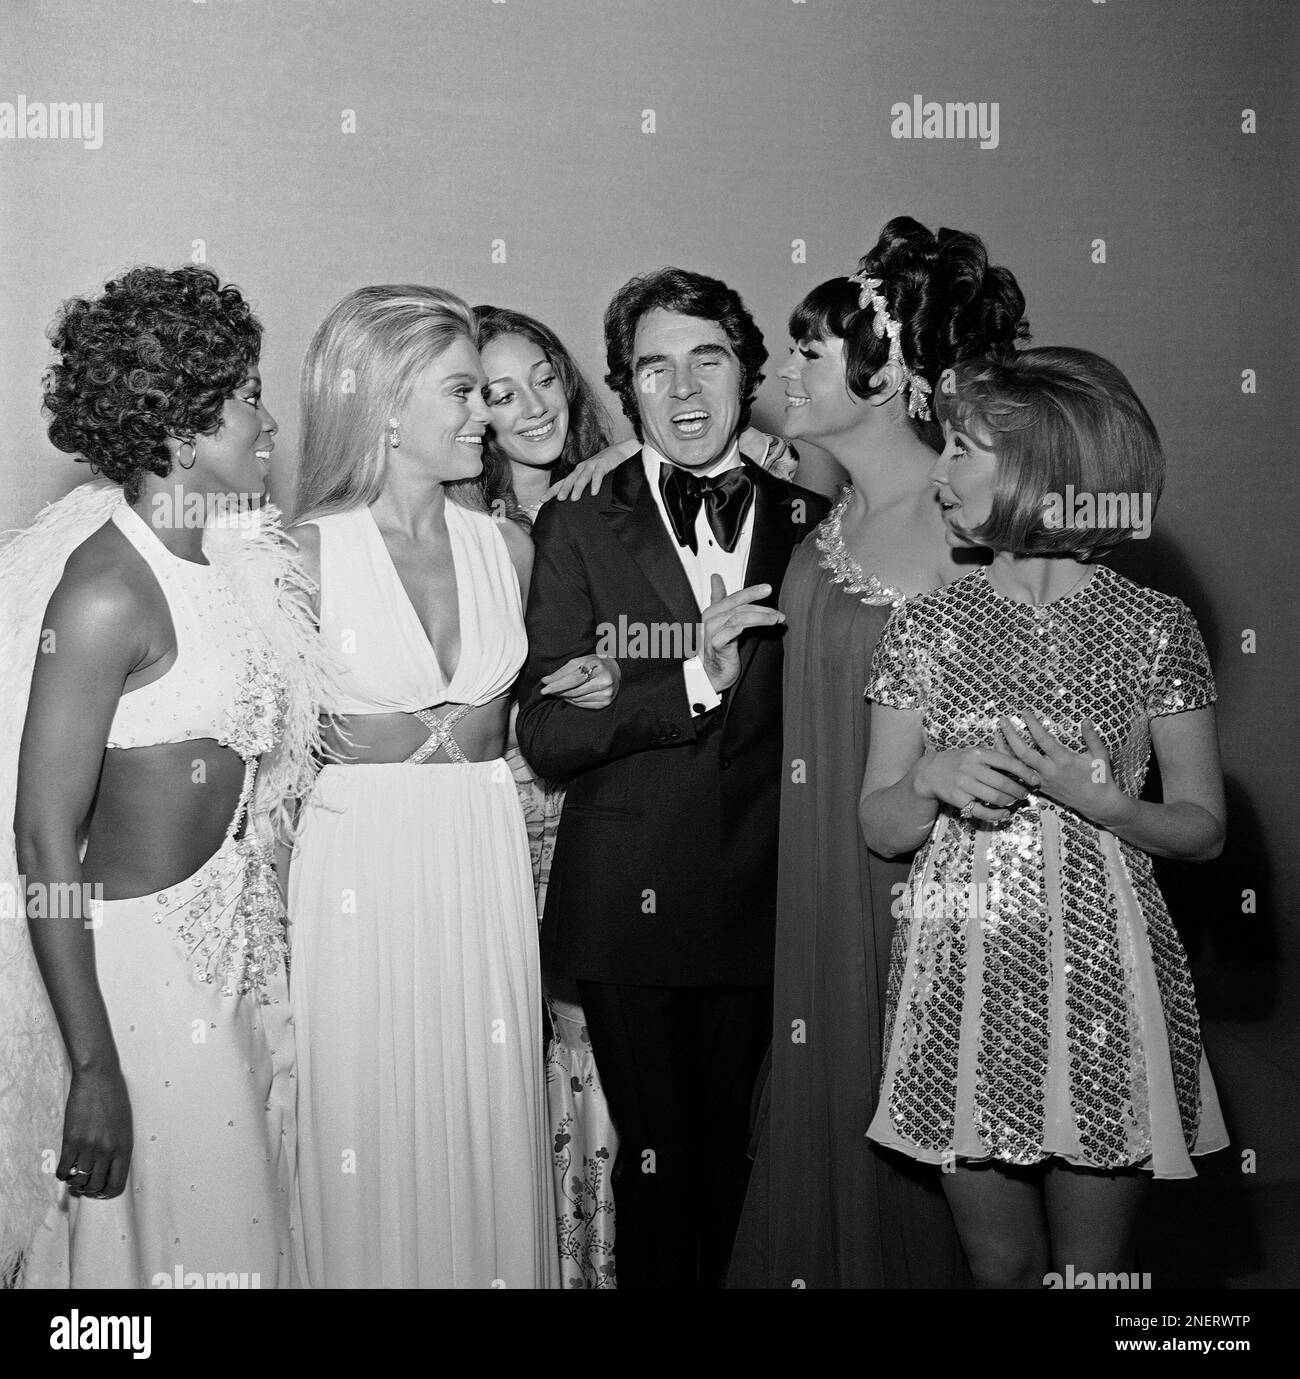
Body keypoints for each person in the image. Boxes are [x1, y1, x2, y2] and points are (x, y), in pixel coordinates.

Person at [859, 347, 1229, 1287]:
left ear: (1043, 471)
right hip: (960, 976)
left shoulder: (1156, 624)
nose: (937, 471)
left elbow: (1203, 828)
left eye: (962, 450)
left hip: (1108, 977)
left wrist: (1100, 799)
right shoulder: (922, 624)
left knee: (1095, 1273)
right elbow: (881, 825)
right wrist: (933, 776)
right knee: (1001, 1267)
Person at [1, 265, 329, 1288]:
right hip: (139, 978)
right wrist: (93, 1065)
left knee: (230, 1237)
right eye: (244, 398)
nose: (269, 422)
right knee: (154, 1250)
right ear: (182, 432)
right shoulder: (104, 590)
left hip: (230, 958)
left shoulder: (218, 568)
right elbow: (43, 836)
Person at [729, 217, 1029, 1288]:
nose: (784, 369)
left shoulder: (967, 525)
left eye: (809, 352)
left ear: (888, 367)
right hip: (821, 871)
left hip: (923, 888)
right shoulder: (831, 509)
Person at [516, 267, 829, 1288]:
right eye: (655, 366)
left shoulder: (813, 516)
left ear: (749, 371)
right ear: (625, 385)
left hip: (772, 900)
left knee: (744, 1171)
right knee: (658, 1176)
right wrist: (694, 674)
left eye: (707, 358)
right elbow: (551, 730)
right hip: (628, 908)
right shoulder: (577, 521)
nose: (684, 390)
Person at [287, 285, 557, 1288]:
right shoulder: (301, 553)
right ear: (386, 405)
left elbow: (526, 727)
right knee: (365, 1108)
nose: (483, 412)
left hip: (482, 853)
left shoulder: (510, 547)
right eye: (461, 390)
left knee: (486, 1107)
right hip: (357, 861)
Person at [475, 304, 619, 1287]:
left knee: (602, 1054)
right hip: (509, 814)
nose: (532, 405)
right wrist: (540, 688)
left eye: (543, 376)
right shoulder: (467, 535)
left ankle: (597, 1260)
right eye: (496, 391)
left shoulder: (632, 506)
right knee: (506, 1049)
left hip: (618, 807)